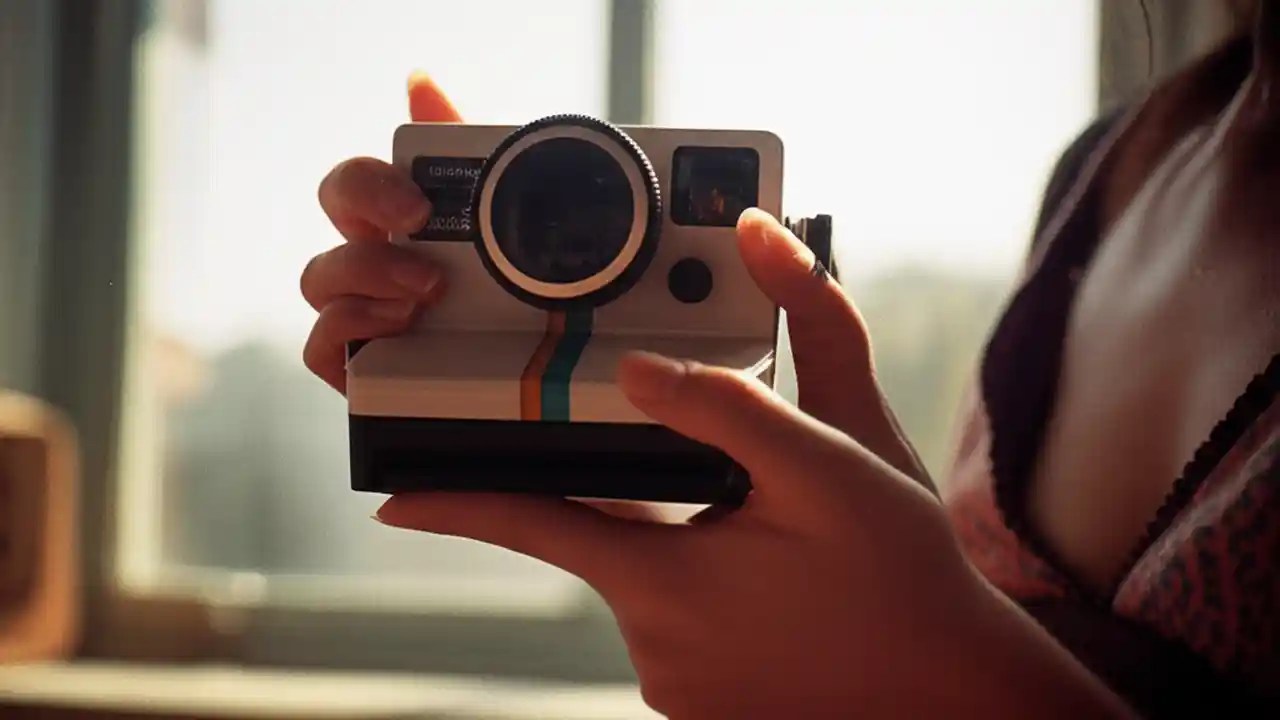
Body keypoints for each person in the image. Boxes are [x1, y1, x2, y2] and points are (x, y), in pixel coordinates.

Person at [300, 3, 1278, 716]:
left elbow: (916, 650)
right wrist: (645, 483)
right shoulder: (1112, 161)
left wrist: (942, 675)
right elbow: (897, 604)